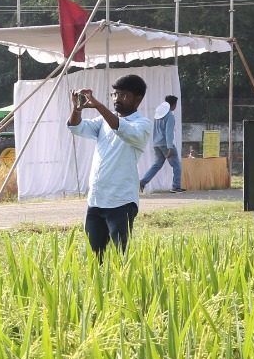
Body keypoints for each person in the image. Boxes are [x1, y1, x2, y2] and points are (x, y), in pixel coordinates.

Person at [67, 74, 153, 257]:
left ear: (138, 99)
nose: (117, 99)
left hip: (121, 201)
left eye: (123, 95)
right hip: (96, 200)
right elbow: (77, 127)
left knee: (120, 256)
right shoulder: (103, 122)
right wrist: (77, 109)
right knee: (94, 256)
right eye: (114, 94)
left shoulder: (142, 124)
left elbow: (122, 129)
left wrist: (98, 105)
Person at [139, 95, 184, 194]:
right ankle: (176, 186)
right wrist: (170, 147)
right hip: (165, 144)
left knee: (157, 165)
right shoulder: (169, 115)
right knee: (177, 165)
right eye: (175, 104)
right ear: (173, 105)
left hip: (156, 144)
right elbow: (169, 132)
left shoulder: (158, 114)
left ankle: (142, 182)